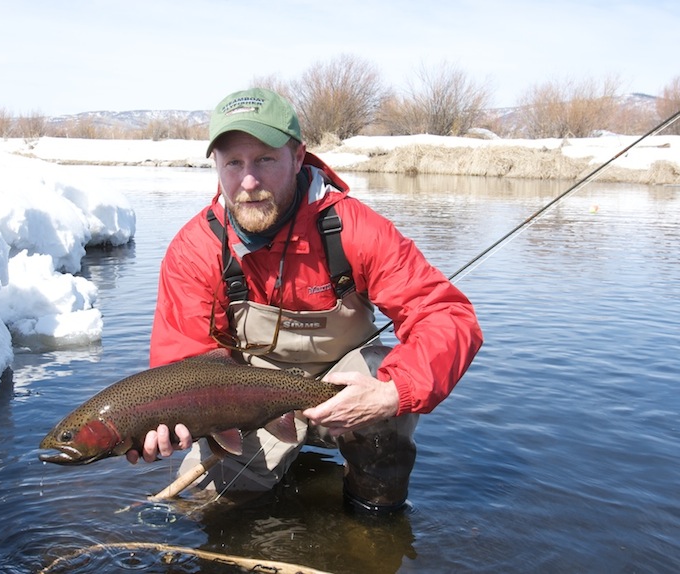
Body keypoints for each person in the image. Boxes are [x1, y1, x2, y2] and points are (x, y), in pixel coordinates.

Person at [127, 87, 483, 514]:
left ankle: (374, 523)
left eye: (265, 159)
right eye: (233, 164)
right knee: (221, 508)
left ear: (298, 158)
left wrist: (392, 392)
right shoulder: (196, 250)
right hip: (247, 398)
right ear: (217, 167)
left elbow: (446, 315)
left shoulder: (354, 229)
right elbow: (181, 369)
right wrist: (167, 422)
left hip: (348, 388)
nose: (249, 181)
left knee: (387, 413)